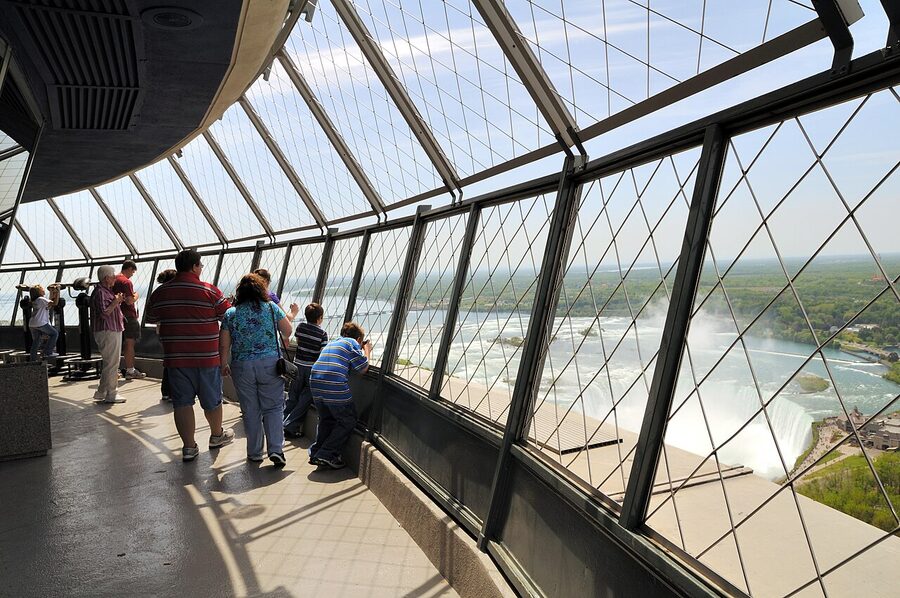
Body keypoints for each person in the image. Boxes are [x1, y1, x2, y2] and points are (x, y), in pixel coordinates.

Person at [146, 250, 234, 462]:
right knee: (212, 400)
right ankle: (216, 436)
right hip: (207, 358)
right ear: (195, 267)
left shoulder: (160, 293)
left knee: (182, 403)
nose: (201, 269)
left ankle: (188, 447)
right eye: (201, 266)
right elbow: (228, 316)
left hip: (176, 358)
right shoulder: (209, 291)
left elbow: (151, 317)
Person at [220, 273, 294, 466]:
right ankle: (276, 449)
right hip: (270, 364)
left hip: (242, 365)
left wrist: (223, 363)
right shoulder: (271, 308)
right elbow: (288, 330)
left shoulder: (231, 313)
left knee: (250, 409)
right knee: (273, 407)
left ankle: (254, 453)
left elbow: (224, 344)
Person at [308, 321, 372, 469]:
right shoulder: (352, 343)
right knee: (348, 420)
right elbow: (363, 368)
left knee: (326, 419)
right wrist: (367, 350)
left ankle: (316, 452)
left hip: (315, 382)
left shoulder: (333, 342)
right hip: (333, 385)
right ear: (358, 339)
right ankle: (327, 454)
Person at [283, 302, 328, 438]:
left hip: (297, 366)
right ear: (319, 318)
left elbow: (297, 341)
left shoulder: (301, 327)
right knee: (306, 398)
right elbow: (322, 354)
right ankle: (290, 425)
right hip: (311, 369)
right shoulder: (322, 334)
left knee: (292, 395)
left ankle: (280, 422)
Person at [90, 266, 125, 404]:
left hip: (110, 330)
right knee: (112, 363)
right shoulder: (101, 293)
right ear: (106, 278)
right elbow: (104, 313)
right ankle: (112, 393)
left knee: (110, 362)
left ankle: (101, 392)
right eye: (113, 276)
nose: (115, 278)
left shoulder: (104, 291)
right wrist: (116, 302)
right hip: (108, 330)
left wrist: (116, 301)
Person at [113, 260, 146, 379]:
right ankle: (130, 370)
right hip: (128, 316)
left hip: (115, 316)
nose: (132, 275)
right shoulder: (125, 282)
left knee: (116, 344)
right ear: (129, 269)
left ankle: (114, 370)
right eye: (132, 272)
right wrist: (136, 295)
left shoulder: (113, 280)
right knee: (130, 343)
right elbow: (129, 300)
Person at [154, 268, 177, 402]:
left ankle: (166, 391)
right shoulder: (173, 293)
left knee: (169, 360)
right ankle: (173, 391)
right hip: (174, 331)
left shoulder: (160, 293)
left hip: (164, 331)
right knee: (174, 362)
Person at [28, 284, 60, 361]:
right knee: (54, 334)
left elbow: (49, 303)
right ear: (38, 291)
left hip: (32, 323)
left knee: (36, 341)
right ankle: (48, 352)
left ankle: (33, 359)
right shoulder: (41, 299)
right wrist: (58, 291)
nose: (44, 289)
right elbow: (54, 303)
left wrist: (53, 292)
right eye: (42, 288)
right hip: (40, 322)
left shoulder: (36, 300)